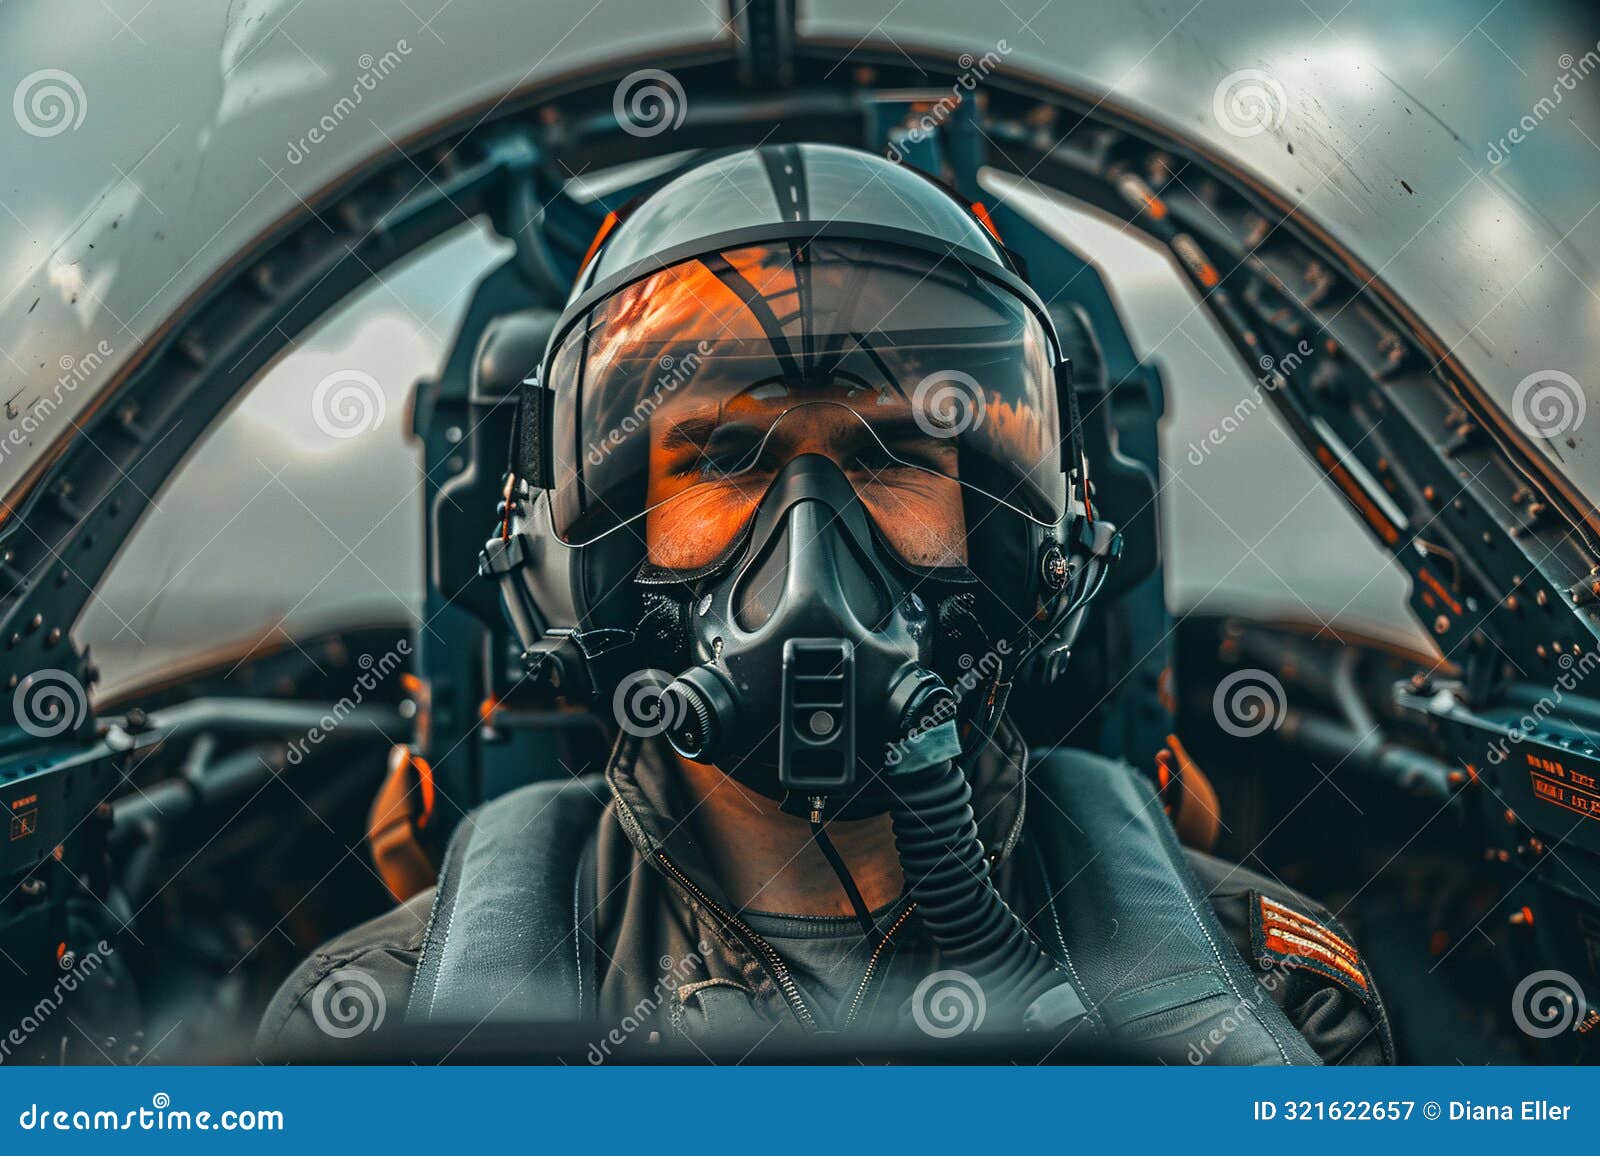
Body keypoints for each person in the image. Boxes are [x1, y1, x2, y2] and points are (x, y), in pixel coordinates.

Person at [259, 144, 1392, 1064]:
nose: (809, 542)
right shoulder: (373, 1027)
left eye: (892, 451)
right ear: (595, 556)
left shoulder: (1278, 1000)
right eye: (725, 454)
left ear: (1015, 542)